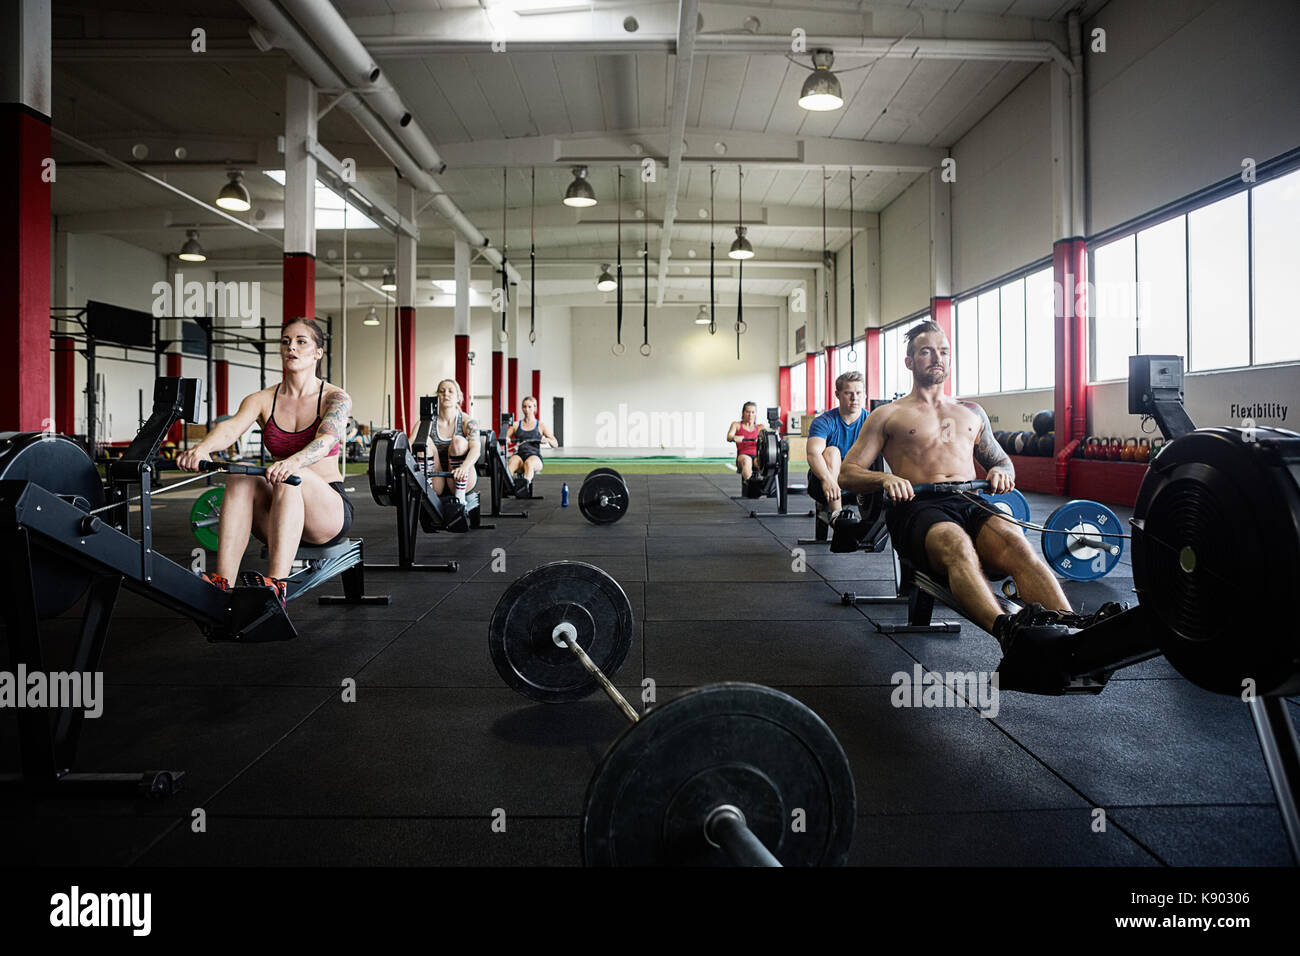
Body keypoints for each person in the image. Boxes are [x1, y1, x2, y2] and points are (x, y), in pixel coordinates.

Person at [837, 321, 1120, 692]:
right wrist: (887, 479)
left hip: (969, 498)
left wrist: (1002, 472)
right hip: (917, 507)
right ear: (909, 362)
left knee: (1015, 539)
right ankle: (1009, 633)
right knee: (955, 544)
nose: (936, 357)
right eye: (926, 351)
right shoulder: (888, 415)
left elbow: (1002, 462)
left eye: (943, 351)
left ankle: (1075, 634)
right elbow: (848, 474)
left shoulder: (971, 412)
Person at [177, 317, 352, 605]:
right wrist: (202, 449)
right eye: (285, 342)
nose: (291, 348)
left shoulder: (335, 398)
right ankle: (223, 581)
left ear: (318, 353)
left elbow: (327, 440)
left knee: (288, 474)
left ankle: (276, 585)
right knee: (241, 474)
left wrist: (293, 462)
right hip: (278, 514)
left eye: (301, 341)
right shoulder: (261, 399)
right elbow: (231, 428)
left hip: (326, 513)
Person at [806, 371, 867, 521]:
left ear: (864, 394)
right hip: (823, 481)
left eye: (859, 393)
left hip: (857, 480)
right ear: (837, 394)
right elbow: (813, 453)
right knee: (832, 452)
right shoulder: (824, 421)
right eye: (848, 393)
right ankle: (837, 515)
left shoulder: (871, 421)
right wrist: (828, 480)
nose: (855, 398)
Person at [427, 378, 480, 507]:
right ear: (437, 396)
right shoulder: (428, 421)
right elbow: (410, 445)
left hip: (461, 474)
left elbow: (476, 449)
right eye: (442, 391)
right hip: (437, 476)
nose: (446, 394)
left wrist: (464, 467)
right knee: (425, 442)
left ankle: (460, 499)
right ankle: (426, 491)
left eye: (451, 391)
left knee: (458, 441)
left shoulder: (467, 421)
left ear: (458, 397)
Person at [506, 396, 558, 494]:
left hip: (534, 457)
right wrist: (507, 439)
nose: (527, 410)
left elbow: (555, 443)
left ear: (535, 408)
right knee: (512, 461)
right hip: (520, 456)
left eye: (530, 407)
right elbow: (504, 438)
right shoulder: (516, 425)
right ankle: (506, 487)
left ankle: (523, 488)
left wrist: (547, 440)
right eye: (524, 407)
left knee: (529, 463)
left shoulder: (540, 425)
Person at [726, 402, 764, 481]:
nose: (750, 415)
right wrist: (734, 437)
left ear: (755, 414)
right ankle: (750, 485)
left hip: (757, 456)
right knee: (747, 461)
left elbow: (769, 438)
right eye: (748, 412)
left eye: (753, 412)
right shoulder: (736, 425)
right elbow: (729, 437)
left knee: (767, 462)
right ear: (743, 413)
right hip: (743, 456)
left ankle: (767, 487)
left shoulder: (760, 427)